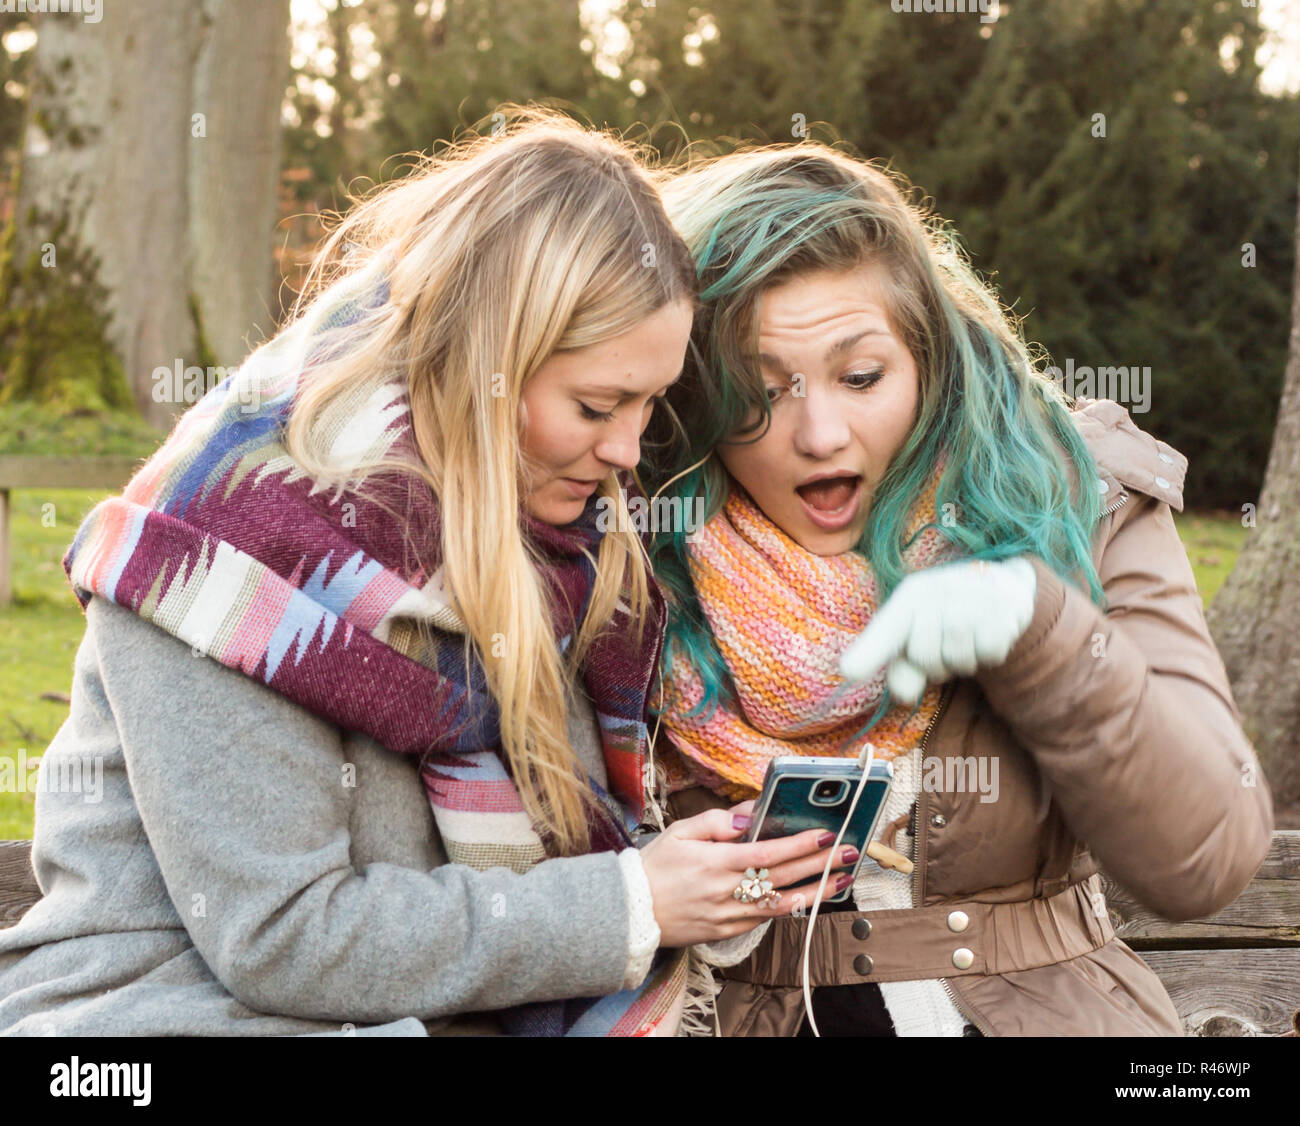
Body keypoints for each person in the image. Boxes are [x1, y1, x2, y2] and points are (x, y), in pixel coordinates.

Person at [0, 110, 851, 1037]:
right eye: (598, 404)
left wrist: (685, 875)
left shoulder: (553, 540)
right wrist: (630, 902)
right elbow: (283, 940)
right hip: (154, 1020)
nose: (624, 449)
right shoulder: (231, 553)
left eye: (649, 403)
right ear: (483, 362)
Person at [643, 143, 1275, 1036]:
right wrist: (639, 894)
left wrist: (1043, 633)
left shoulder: (1077, 499)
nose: (820, 433)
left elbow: (1205, 860)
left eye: (861, 377)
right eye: (759, 390)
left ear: (929, 361)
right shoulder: (634, 541)